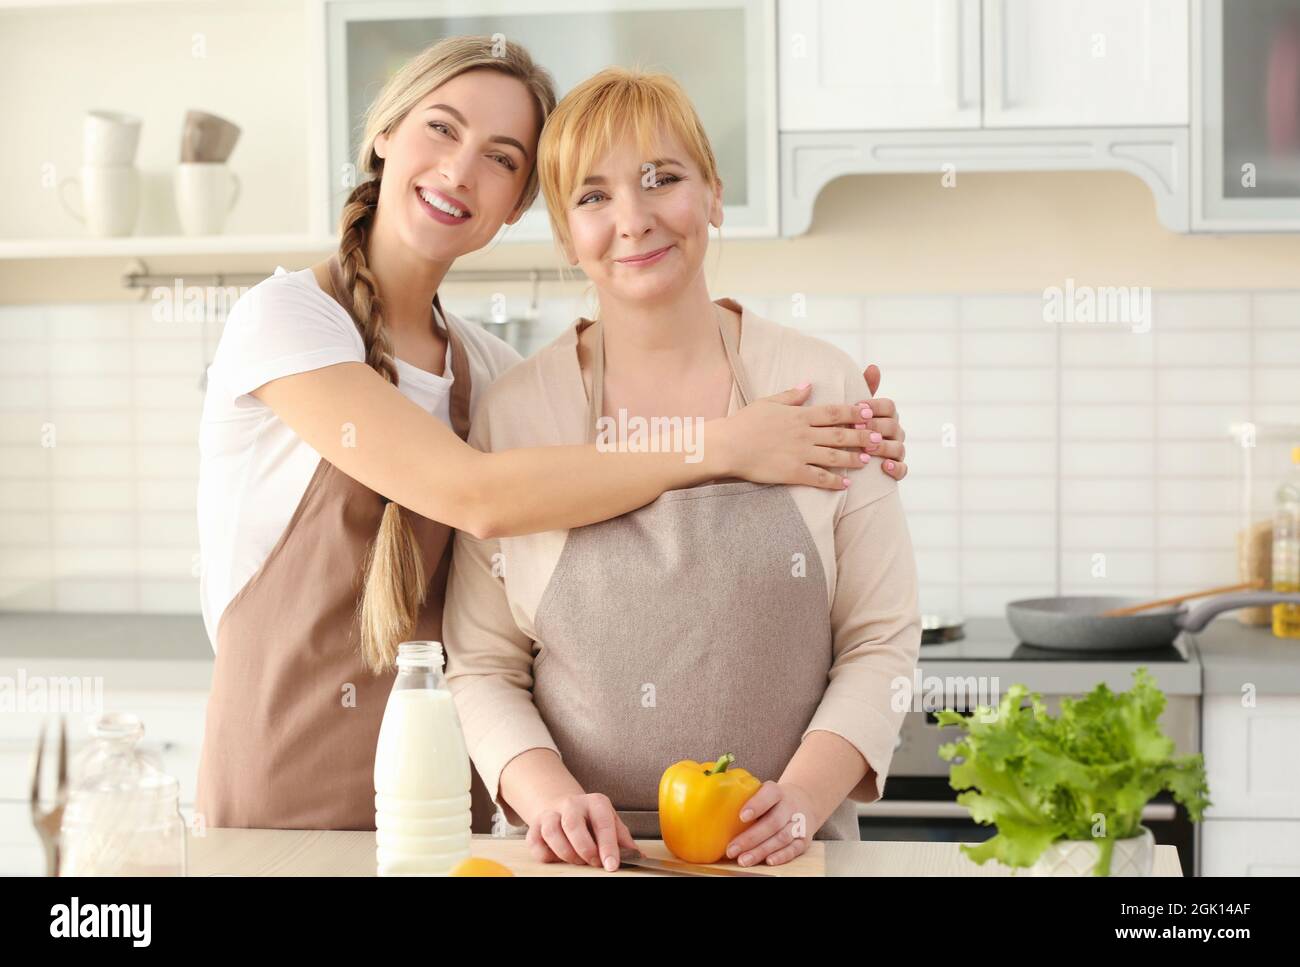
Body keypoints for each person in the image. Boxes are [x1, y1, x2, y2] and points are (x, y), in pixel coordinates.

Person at [193, 37, 909, 831]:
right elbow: (478, 500)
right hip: (282, 785)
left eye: (501, 158)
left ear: (516, 207)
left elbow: (880, 633)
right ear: (385, 134)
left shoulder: (489, 372)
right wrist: (726, 446)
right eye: (440, 128)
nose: (461, 170)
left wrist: (862, 429)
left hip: (444, 798)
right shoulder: (288, 319)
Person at [442, 67, 921, 868]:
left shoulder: (818, 384)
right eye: (592, 197)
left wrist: (799, 802)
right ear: (565, 233)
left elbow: (880, 638)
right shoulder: (518, 413)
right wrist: (551, 799)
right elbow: (483, 664)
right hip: (583, 859)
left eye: (661, 178)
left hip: (783, 853)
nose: (633, 220)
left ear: (714, 196)